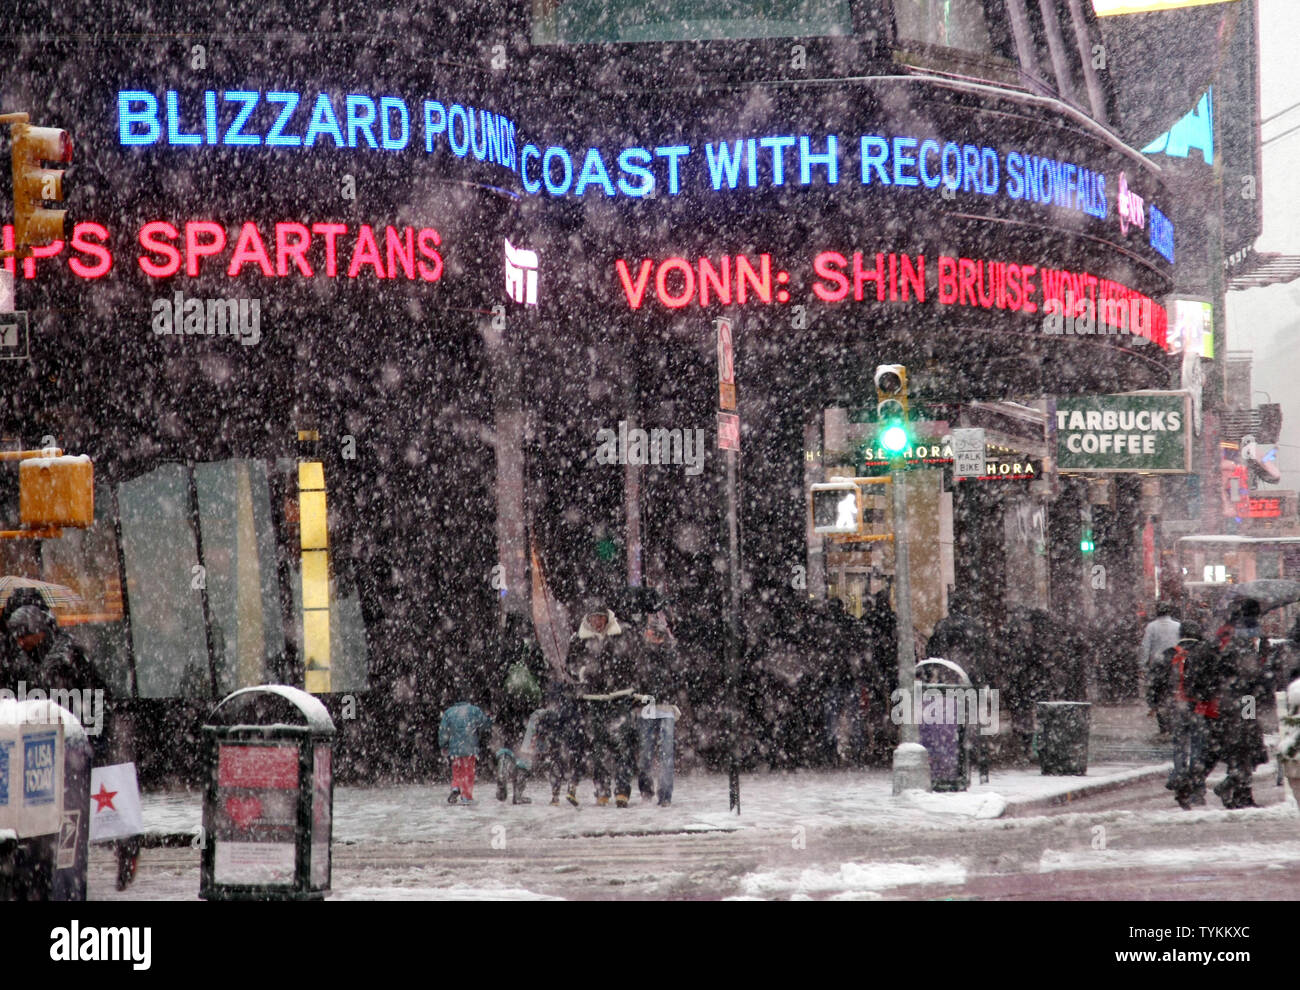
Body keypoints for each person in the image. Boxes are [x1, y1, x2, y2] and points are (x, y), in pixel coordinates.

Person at [568, 600, 643, 807]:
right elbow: (571, 664)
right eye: (593, 618)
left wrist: (625, 679)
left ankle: (622, 790)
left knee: (623, 745)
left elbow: (634, 660)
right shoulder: (579, 639)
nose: (597, 622)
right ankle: (602, 789)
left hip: (619, 696)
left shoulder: (622, 634)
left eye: (600, 618)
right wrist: (583, 672)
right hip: (594, 699)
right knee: (598, 748)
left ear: (607, 618)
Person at [1211, 599, 1271, 809]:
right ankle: (1234, 786)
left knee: (1243, 747)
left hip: (1236, 699)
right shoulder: (1242, 642)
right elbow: (1251, 674)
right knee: (1246, 745)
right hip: (1244, 700)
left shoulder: (1230, 636)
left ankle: (1241, 792)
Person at [637, 607, 680, 806]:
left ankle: (664, 795)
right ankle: (648, 789)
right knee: (647, 752)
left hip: (663, 705)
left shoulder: (668, 653)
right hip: (649, 705)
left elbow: (675, 678)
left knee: (665, 753)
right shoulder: (643, 653)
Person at [438, 696, 493, 805]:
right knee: (468, 773)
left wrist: (443, 745)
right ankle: (466, 796)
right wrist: (489, 719)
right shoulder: (474, 710)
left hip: (454, 749)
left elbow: (443, 731)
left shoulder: (449, 712)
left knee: (457, 771)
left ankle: (455, 787)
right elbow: (484, 725)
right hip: (470, 747)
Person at [1139, 602, 1182, 734]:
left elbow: (1145, 646)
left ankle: (1162, 724)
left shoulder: (1151, 627)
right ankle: (1173, 722)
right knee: (1172, 691)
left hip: (1157, 664)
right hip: (1174, 663)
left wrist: (1142, 663)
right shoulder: (1178, 625)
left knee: (1157, 692)